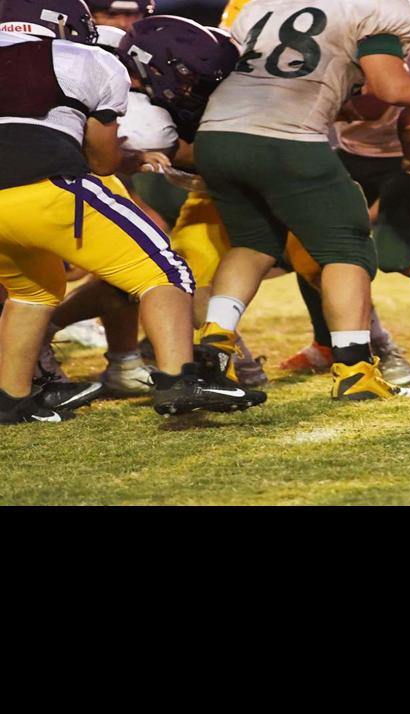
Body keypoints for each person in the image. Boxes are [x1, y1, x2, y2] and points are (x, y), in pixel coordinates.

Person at [0, 0, 264, 423]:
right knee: (165, 272)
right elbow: (102, 161)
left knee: (31, 292)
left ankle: (13, 400)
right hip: (48, 184)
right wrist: (132, 157)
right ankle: (181, 379)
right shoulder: (84, 57)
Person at [193, 0, 410, 400]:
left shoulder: (261, 7)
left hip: (217, 133)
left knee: (253, 244)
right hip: (288, 139)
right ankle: (356, 369)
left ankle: (215, 344)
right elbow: (389, 88)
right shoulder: (382, 10)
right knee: (349, 248)